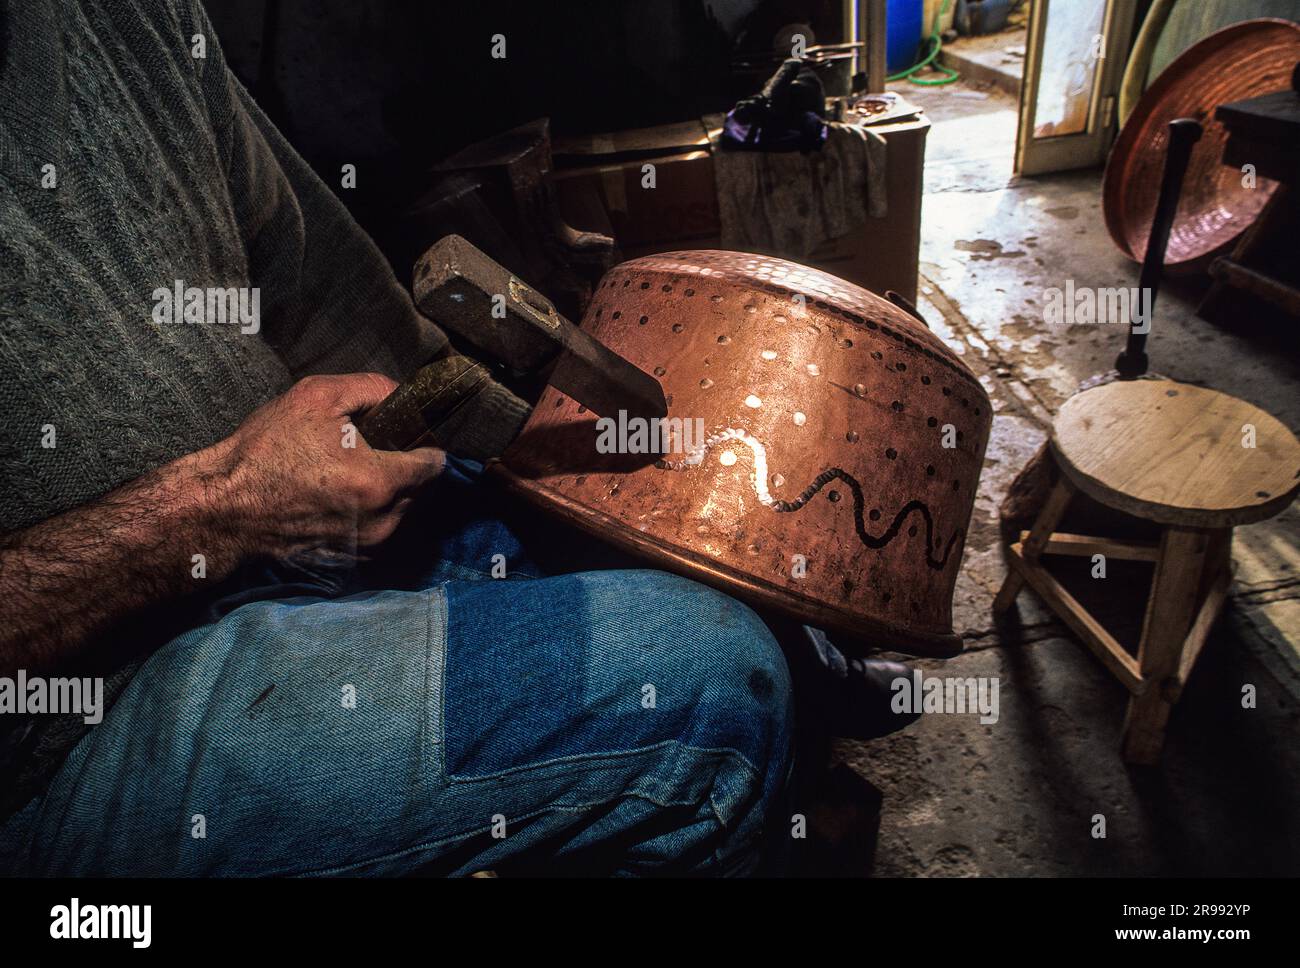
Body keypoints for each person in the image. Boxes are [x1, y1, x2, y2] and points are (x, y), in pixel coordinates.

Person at [0, 0, 910, 877]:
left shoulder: (120, 12)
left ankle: (808, 673)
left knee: (661, 530)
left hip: (277, 514)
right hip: (65, 731)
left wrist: (483, 424)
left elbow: (309, 270)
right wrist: (216, 509)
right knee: (712, 689)